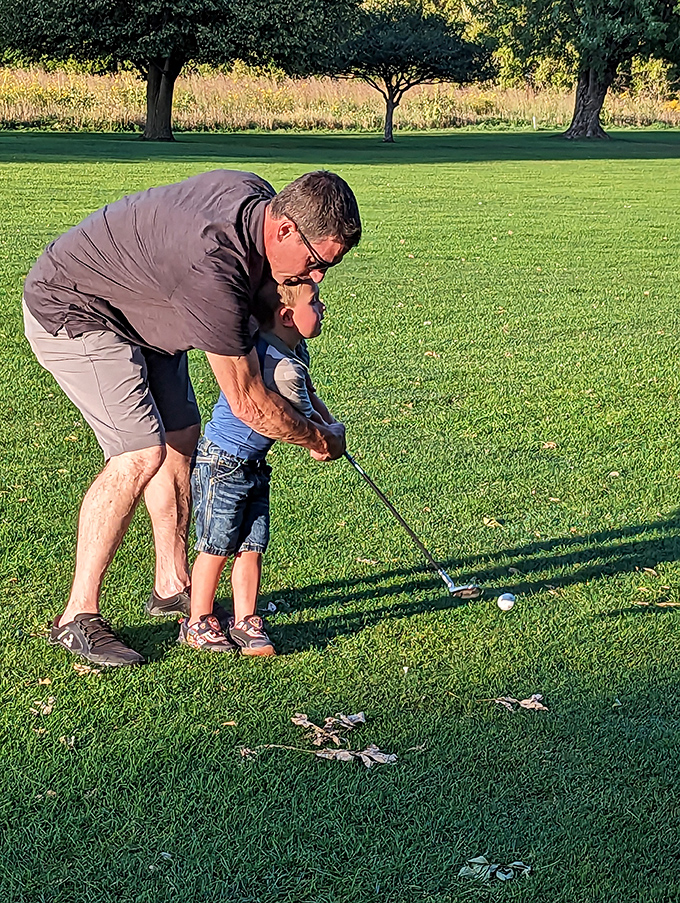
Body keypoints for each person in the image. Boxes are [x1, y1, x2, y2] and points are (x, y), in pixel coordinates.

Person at [22, 169, 361, 667]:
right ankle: (78, 616)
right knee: (140, 450)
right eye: (315, 263)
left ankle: (171, 584)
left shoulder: (256, 202)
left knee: (182, 434)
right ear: (285, 229)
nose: (315, 278)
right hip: (76, 307)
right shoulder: (213, 269)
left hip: (149, 310)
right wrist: (317, 437)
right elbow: (249, 403)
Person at [182, 278, 334, 655]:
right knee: (216, 546)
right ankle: (198, 620)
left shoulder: (295, 351)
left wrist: (331, 430)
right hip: (223, 463)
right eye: (315, 304)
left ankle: (245, 619)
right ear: (287, 315)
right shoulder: (282, 368)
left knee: (251, 545)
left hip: (253, 464)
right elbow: (297, 420)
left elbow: (311, 403)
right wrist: (323, 442)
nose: (323, 308)